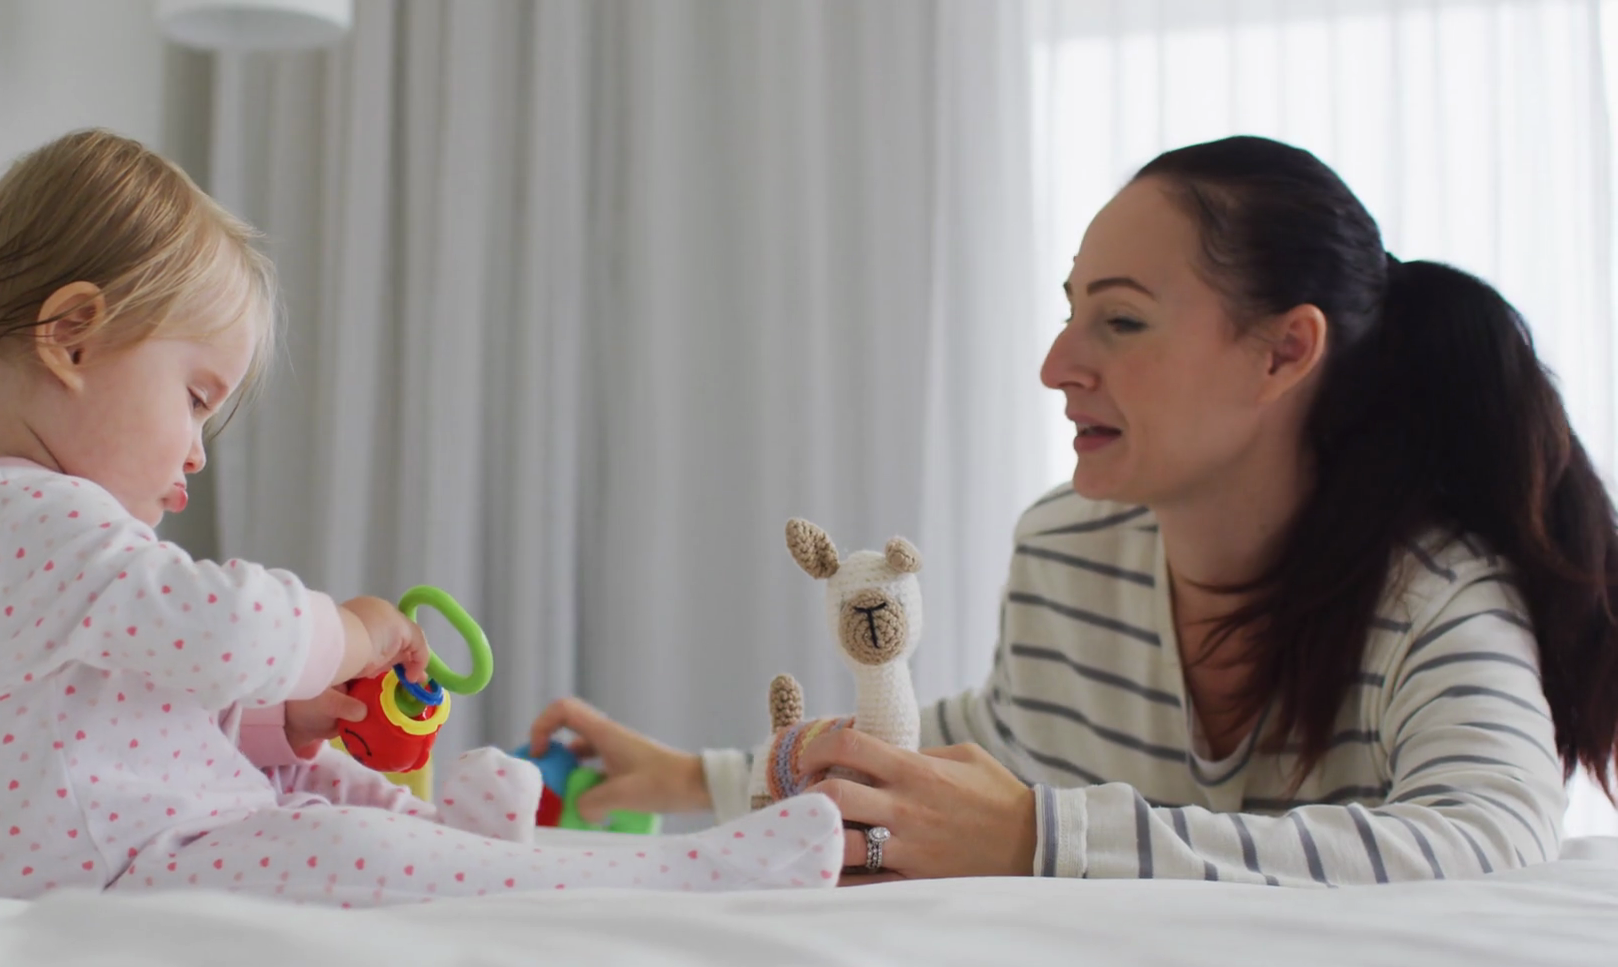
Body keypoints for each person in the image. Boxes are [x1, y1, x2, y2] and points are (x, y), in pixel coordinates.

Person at [531, 135, 1618, 886]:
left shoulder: (1436, 590)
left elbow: (1491, 835)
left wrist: (1042, 837)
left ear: (1285, 349)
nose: (1059, 365)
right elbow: (998, 737)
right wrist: (690, 775)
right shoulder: (1067, 547)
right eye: (1069, 317)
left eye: (1123, 323)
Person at [0, 129, 842, 910]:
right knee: (327, 838)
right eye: (194, 397)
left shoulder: (13, 534)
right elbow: (225, 631)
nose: (197, 450)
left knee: (320, 797)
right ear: (71, 336)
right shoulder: (25, 517)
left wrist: (279, 722)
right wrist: (344, 630)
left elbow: (136, 717)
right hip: (106, 881)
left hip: (126, 855)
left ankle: (458, 848)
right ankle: (660, 879)